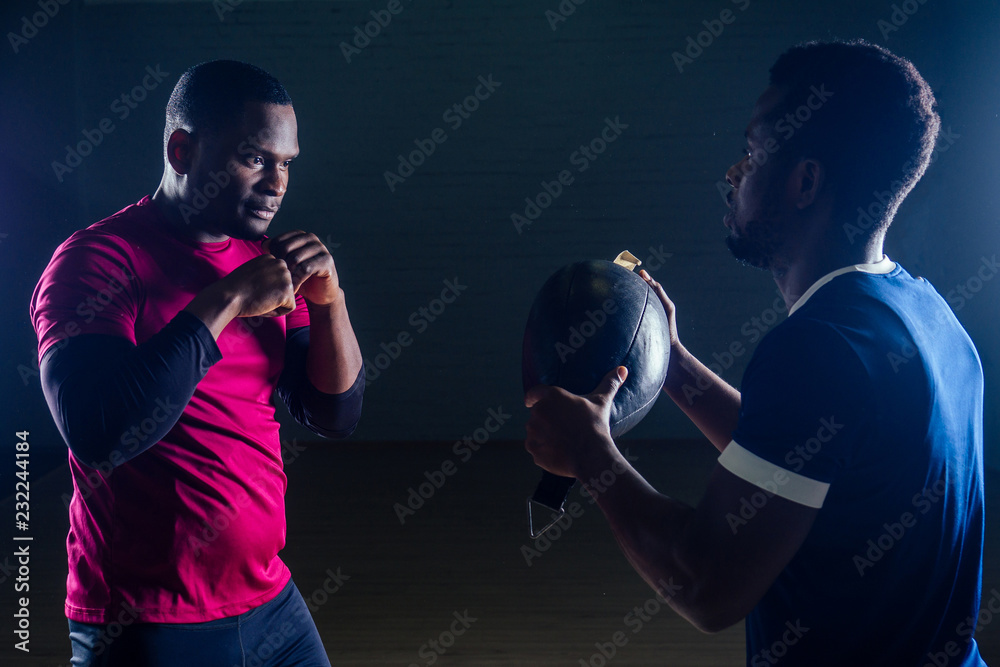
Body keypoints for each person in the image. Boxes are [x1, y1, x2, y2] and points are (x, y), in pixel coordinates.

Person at [524, 39, 987, 665]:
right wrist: (674, 368)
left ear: (804, 181)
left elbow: (706, 586)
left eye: (753, 152)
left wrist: (590, 453)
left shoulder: (815, 351)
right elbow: (805, 458)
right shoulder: (926, 313)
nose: (734, 173)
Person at [30, 60, 364, 666]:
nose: (277, 182)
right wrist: (228, 299)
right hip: (145, 621)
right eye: (254, 158)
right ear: (182, 151)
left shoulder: (263, 258)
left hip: (270, 603)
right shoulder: (96, 262)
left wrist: (331, 302)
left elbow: (333, 412)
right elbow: (99, 430)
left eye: (285, 162)